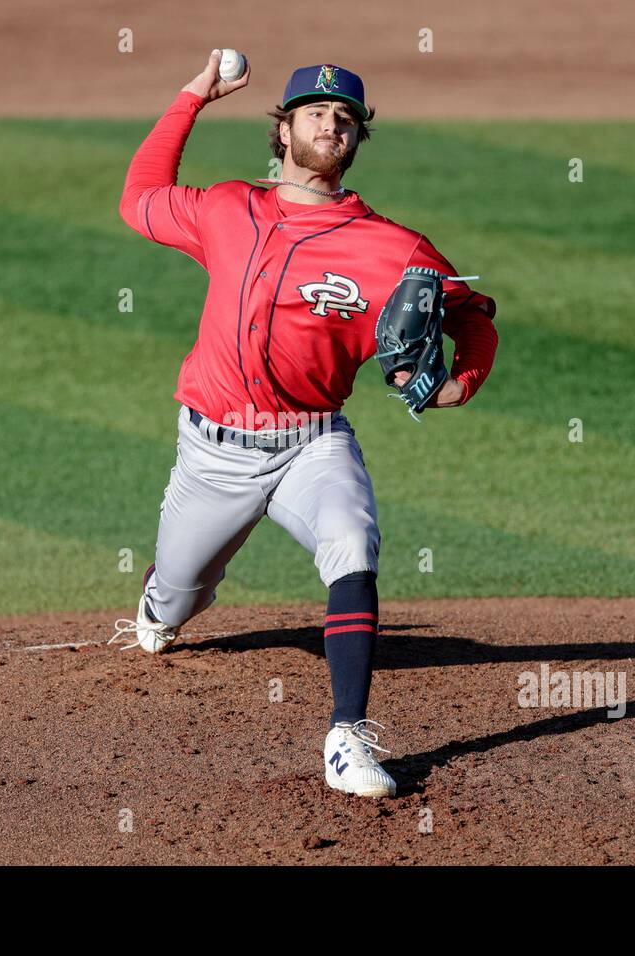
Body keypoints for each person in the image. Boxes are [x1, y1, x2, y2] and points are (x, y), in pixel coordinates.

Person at [113, 52, 498, 798]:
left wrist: (462, 382)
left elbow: (474, 316)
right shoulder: (227, 209)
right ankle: (164, 595)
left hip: (311, 443)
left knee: (353, 543)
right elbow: (139, 198)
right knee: (175, 602)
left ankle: (347, 737)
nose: (332, 124)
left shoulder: (394, 248)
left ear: (355, 142)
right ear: (282, 129)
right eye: (316, 112)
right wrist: (194, 94)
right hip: (212, 452)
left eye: (346, 118)